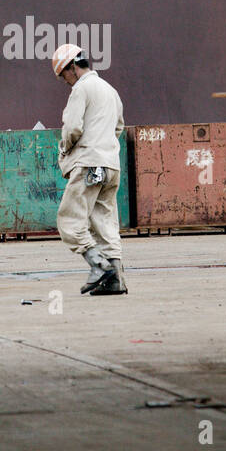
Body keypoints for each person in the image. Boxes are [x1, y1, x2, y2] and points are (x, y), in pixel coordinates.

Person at [51, 42, 128, 296]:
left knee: (70, 220)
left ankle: (98, 266)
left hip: (88, 164)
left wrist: (65, 148)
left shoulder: (81, 89)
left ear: (72, 67)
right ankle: (116, 280)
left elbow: (72, 127)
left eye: (64, 74)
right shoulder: (110, 90)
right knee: (105, 222)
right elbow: (118, 127)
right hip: (110, 166)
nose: (65, 81)